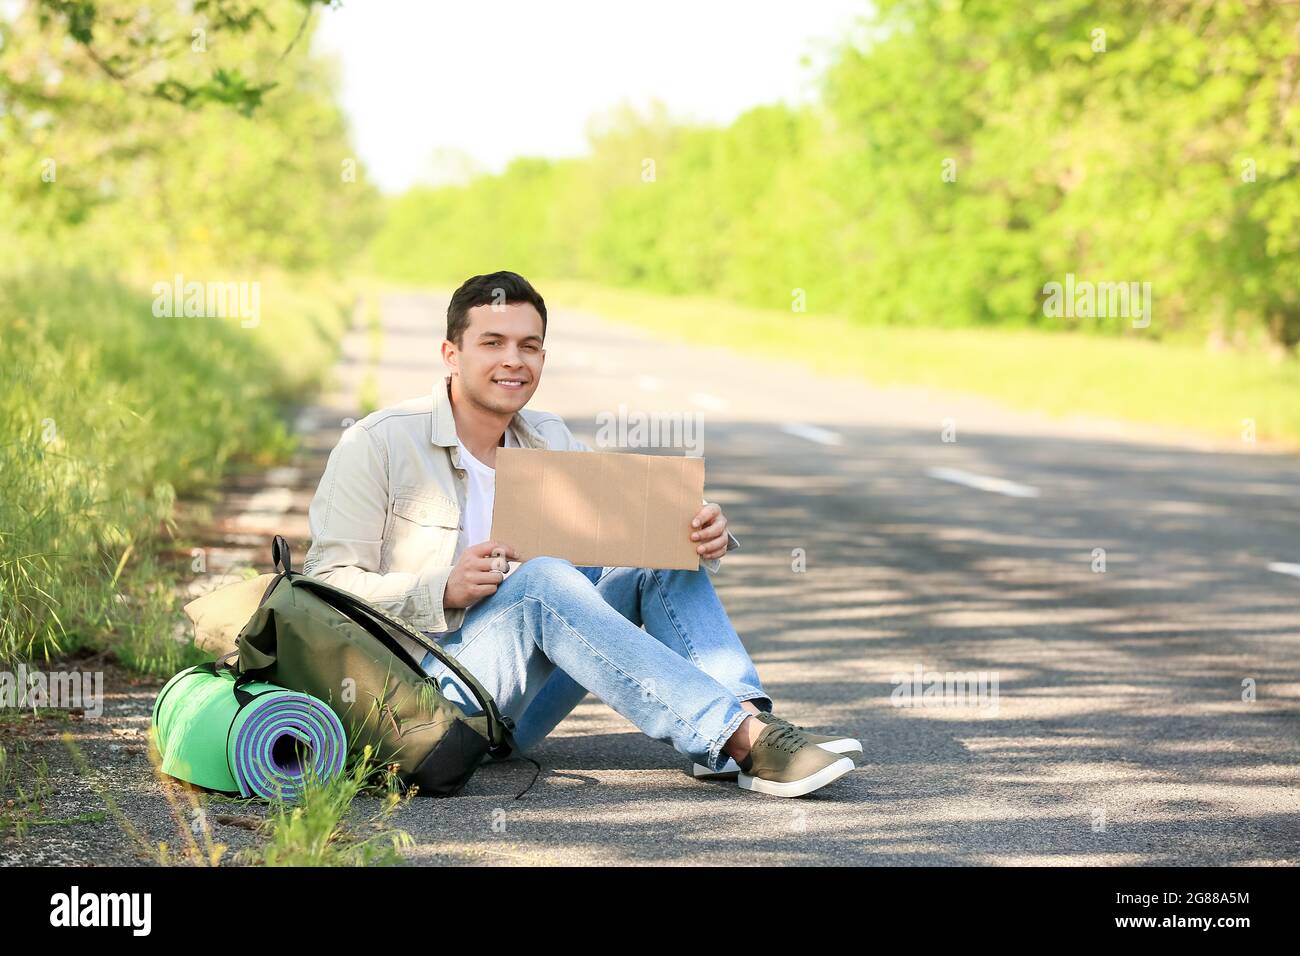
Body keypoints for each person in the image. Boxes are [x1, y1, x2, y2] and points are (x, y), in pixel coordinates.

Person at [303, 271, 860, 797]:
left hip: (520, 701)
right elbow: (323, 588)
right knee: (543, 579)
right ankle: (738, 738)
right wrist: (442, 588)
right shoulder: (376, 445)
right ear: (451, 354)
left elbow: (623, 534)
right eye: (492, 343)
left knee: (654, 558)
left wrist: (697, 530)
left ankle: (742, 728)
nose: (513, 361)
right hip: (430, 704)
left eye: (529, 346)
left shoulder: (545, 434)